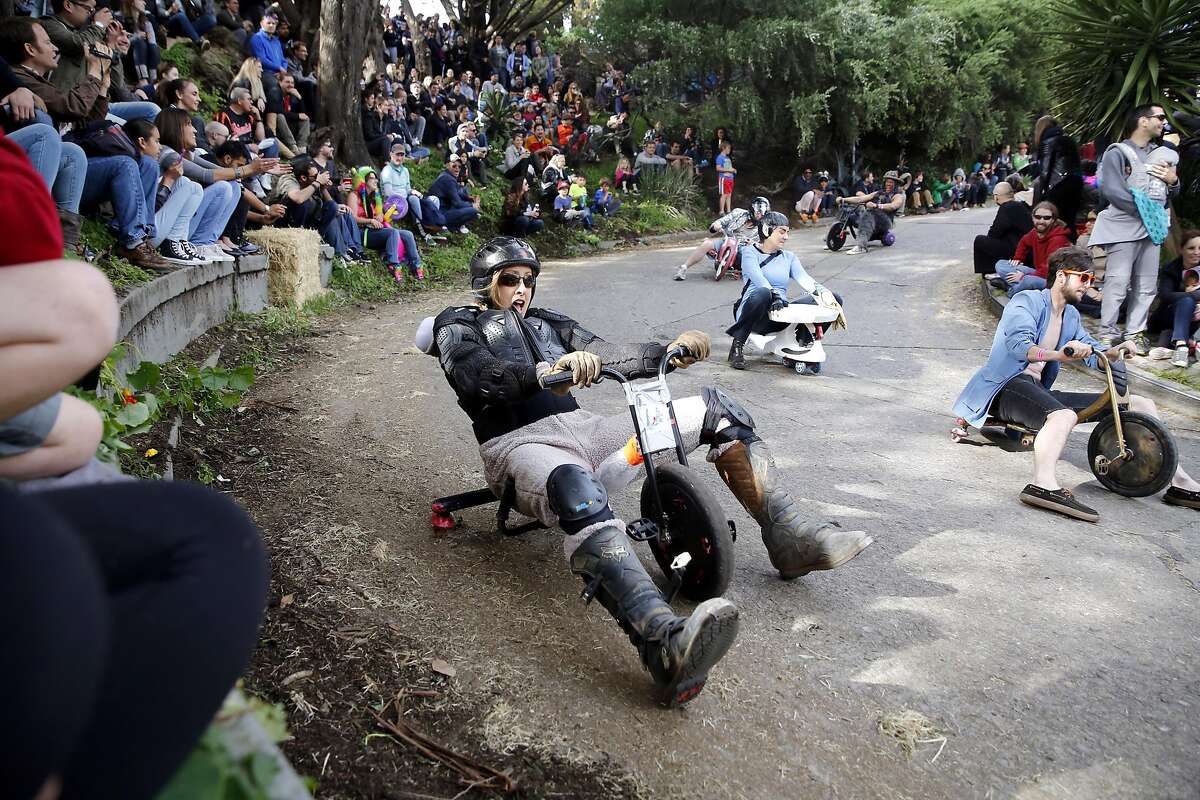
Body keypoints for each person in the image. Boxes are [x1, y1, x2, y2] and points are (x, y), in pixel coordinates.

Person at [428, 237, 872, 705]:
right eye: (510, 280)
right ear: (485, 284)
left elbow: (608, 352)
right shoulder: (457, 324)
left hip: (587, 429)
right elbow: (476, 375)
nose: (523, 288)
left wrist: (669, 352)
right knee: (574, 486)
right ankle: (662, 640)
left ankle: (789, 534)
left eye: (529, 280)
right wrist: (544, 373)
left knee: (715, 408)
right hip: (520, 444)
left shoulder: (545, 322)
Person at [953, 247, 1200, 519]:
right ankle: (1042, 484)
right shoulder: (1026, 301)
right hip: (1003, 387)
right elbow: (1017, 345)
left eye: (1092, 280)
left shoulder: (1069, 315)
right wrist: (1059, 354)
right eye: (1083, 278)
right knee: (1062, 416)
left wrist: (1115, 351)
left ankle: (1180, 484)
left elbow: (1092, 352)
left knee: (1140, 403)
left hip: (1034, 390)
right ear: (1061, 276)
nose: (1088, 285)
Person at [1090, 104, 1180, 352]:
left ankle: (1135, 333)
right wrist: (1145, 212)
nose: (1163, 122)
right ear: (1143, 120)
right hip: (1124, 227)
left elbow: (1170, 190)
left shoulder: (1161, 154)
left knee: (1147, 283)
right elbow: (1112, 190)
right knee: (1117, 281)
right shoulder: (1117, 152)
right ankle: (1107, 332)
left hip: (1153, 230)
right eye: (1160, 117)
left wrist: (1173, 181)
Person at [725, 211, 846, 374]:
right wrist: (774, 294)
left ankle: (803, 345)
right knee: (763, 293)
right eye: (782, 231)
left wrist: (826, 296)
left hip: (780, 313)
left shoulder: (789, 257)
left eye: (787, 232)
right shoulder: (749, 253)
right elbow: (758, 278)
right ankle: (737, 345)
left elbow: (806, 280)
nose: (786, 237)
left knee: (834, 298)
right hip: (755, 315)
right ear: (767, 230)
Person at [348, 166, 422, 282]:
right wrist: (371, 220)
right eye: (372, 178)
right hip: (362, 232)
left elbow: (379, 216)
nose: (376, 181)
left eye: (376, 178)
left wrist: (379, 216)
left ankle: (416, 266)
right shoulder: (354, 195)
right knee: (392, 232)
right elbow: (352, 218)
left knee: (407, 234)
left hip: (374, 230)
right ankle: (393, 264)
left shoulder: (373, 198)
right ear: (364, 180)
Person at [673, 195, 770, 281]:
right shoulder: (738, 213)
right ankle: (683, 268)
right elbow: (721, 221)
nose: (759, 216)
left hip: (744, 249)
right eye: (758, 213)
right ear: (752, 209)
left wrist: (754, 244)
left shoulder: (763, 227)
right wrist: (716, 225)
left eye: (762, 214)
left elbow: (764, 245)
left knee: (751, 256)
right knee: (706, 244)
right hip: (727, 240)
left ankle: (751, 273)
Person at [989, 201, 1071, 296]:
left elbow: (1050, 269)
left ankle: (1010, 290)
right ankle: (1022, 287)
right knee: (1001, 264)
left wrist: (1024, 276)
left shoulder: (1058, 239)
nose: (1041, 221)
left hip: (1053, 280)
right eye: (1038, 217)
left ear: (1053, 220)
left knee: (1029, 281)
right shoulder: (1035, 232)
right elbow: (1023, 242)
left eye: (1047, 218)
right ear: (1032, 217)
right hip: (1038, 273)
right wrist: (1018, 259)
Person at [1147, 229, 1200, 367]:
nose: (1196, 252)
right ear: (1181, 249)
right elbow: (1165, 294)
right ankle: (1181, 346)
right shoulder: (1171, 269)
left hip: (1196, 318)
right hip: (1169, 315)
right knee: (1187, 301)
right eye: (1191, 248)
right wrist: (1192, 296)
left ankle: (1171, 339)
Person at [1031, 115, 1082, 241]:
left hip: (1057, 185)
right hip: (1075, 183)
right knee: (1069, 221)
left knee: (1054, 222)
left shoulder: (1047, 142)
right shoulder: (1068, 140)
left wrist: (1043, 193)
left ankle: (1055, 251)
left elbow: (1046, 170)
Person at [836, 169, 906, 255]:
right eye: (887, 181)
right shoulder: (879, 192)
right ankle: (834, 239)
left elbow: (893, 206)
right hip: (870, 221)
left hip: (885, 222)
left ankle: (861, 247)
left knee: (870, 211)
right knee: (847, 210)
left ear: (896, 184)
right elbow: (860, 199)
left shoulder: (898, 195)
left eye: (891, 182)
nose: (888, 184)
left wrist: (876, 206)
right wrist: (843, 199)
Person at [972, 181, 1034, 274]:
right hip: (1030, 251)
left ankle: (990, 271)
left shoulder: (1007, 208)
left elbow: (994, 233)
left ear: (996, 196)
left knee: (980, 240)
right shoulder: (1022, 205)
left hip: (1021, 252)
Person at [426, 155, 481, 233]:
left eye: (459, 166)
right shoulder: (448, 179)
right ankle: (451, 226)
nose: (457, 169)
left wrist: (470, 198)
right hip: (440, 214)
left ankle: (454, 226)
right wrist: (472, 205)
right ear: (447, 165)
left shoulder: (447, 176)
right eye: (454, 166)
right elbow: (457, 203)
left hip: (444, 209)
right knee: (473, 211)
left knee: (465, 191)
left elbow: (458, 193)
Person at [715, 140, 735, 214]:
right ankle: (722, 211)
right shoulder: (720, 158)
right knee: (724, 194)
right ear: (723, 148)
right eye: (728, 148)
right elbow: (718, 168)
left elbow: (729, 167)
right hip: (724, 179)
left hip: (730, 178)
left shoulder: (728, 158)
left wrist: (732, 170)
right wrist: (729, 170)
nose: (729, 150)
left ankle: (729, 210)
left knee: (729, 194)